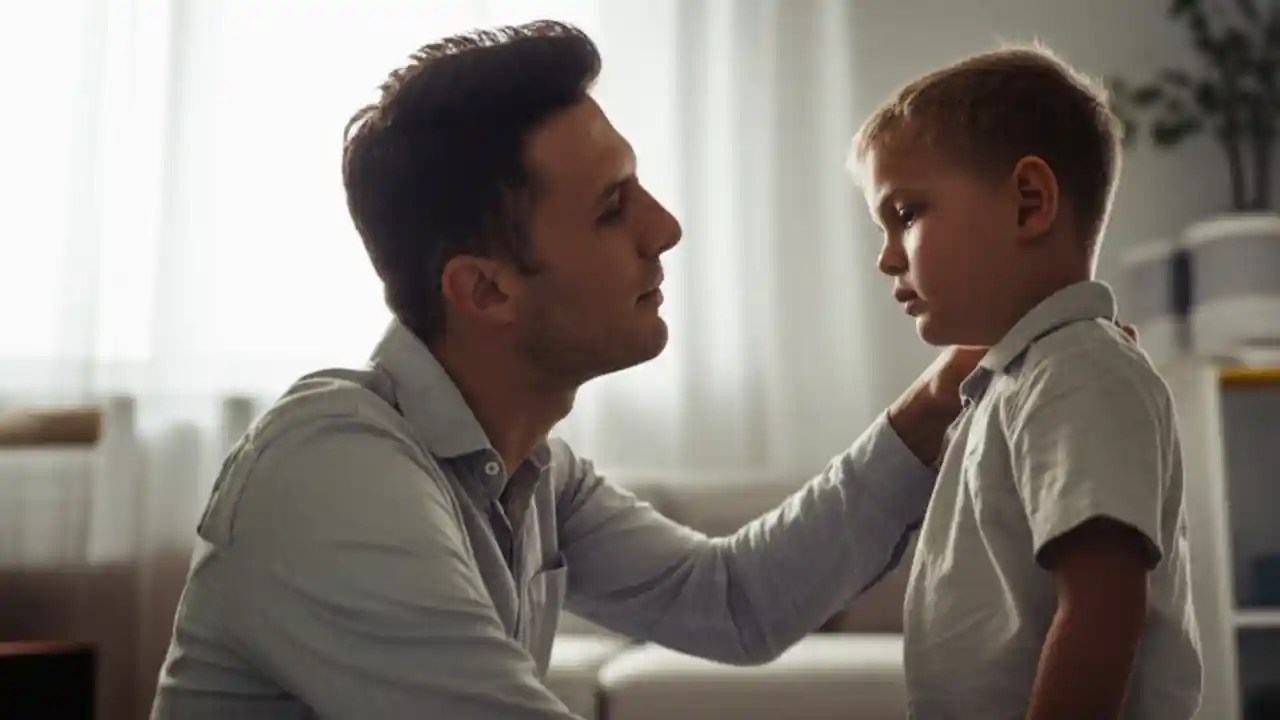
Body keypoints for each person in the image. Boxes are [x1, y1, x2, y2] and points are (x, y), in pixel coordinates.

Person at [150, 20, 979, 719]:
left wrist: (940, 399)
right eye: (612, 208)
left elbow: (733, 602)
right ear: (486, 290)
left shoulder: (534, 476)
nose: (665, 227)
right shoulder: (333, 468)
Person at [850, 45, 1202, 719]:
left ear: (1029, 204)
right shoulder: (1022, 378)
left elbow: (1102, 603)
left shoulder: (1079, 372)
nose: (887, 259)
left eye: (906, 214)